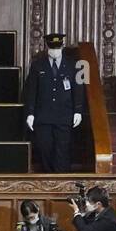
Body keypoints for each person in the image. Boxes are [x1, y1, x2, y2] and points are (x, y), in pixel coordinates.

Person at [24, 32, 85, 173]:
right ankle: (48, 180)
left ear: (62, 47)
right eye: (52, 48)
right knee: (45, 148)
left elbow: (78, 90)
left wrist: (78, 111)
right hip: (43, 116)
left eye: (58, 48)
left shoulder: (73, 65)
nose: (55, 51)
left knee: (62, 149)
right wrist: (30, 113)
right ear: (47, 47)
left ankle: (61, 181)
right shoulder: (37, 65)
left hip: (64, 116)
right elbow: (31, 91)